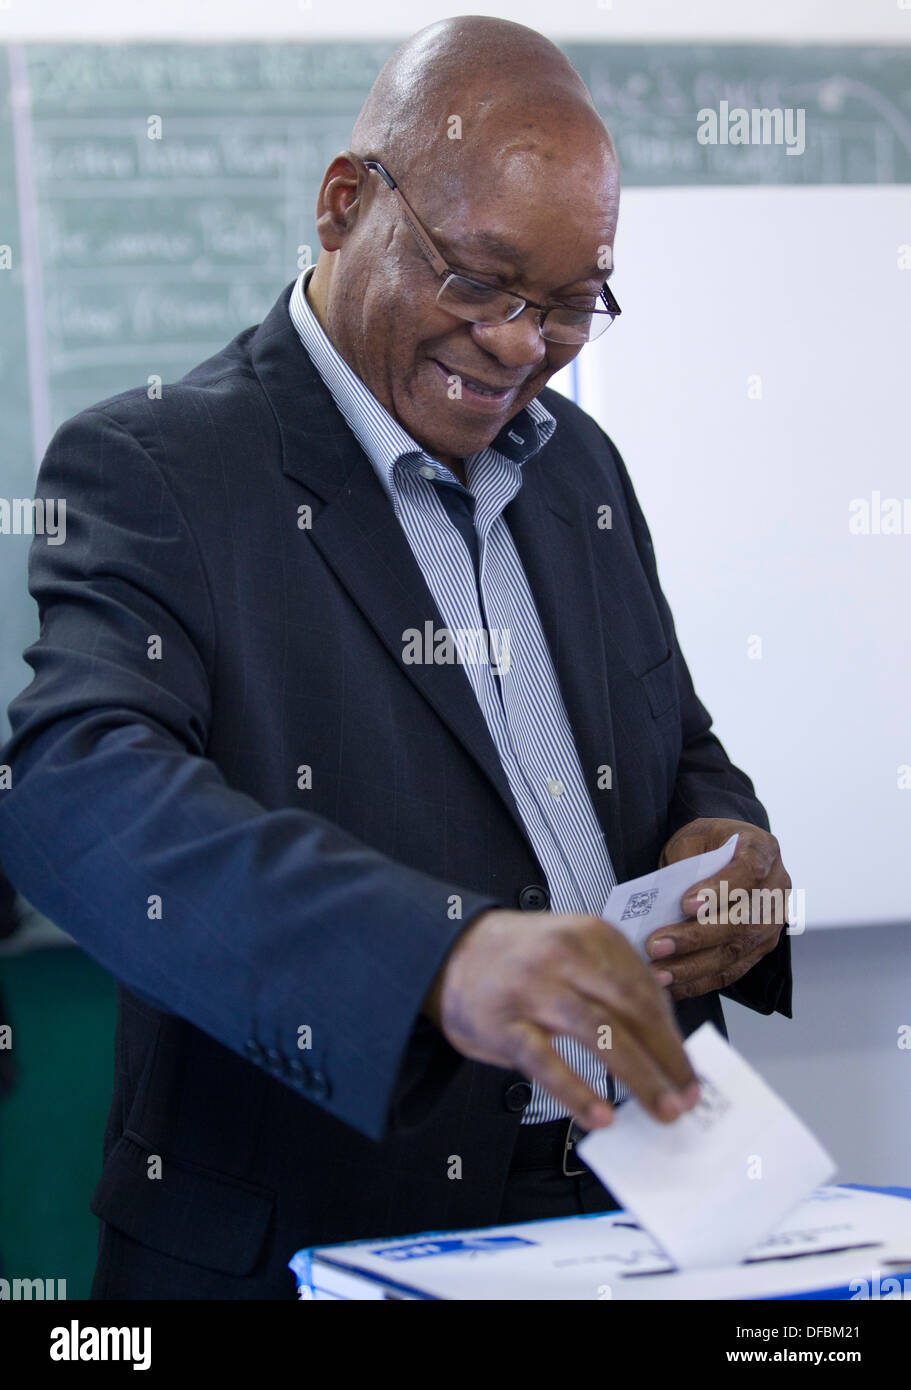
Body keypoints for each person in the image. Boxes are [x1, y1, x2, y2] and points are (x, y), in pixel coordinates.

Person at [0, 17, 791, 1300]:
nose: (522, 345)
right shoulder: (159, 469)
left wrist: (726, 841)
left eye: (572, 302)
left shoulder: (577, 468)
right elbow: (73, 792)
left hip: (637, 1213)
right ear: (343, 204)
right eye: (479, 282)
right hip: (322, 1238)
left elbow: (677, 746)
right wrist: (439, 955)